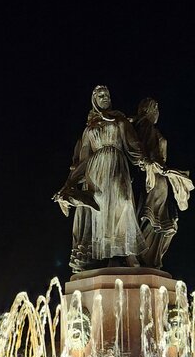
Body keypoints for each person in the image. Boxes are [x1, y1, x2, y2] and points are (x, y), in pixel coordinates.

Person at [54, 85, 150, 272]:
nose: (104, 97)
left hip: (117, 164)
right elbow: (83, 159)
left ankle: (130, 252)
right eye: (100, 96)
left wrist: (145, 161)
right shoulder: (89, 128)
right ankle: (109, 256)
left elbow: (133, 144)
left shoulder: (120, 120)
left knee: (123, 202)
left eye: (106, 95)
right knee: (101, 210)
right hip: (95, 170)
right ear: (94, 101)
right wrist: (69, 183)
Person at [130, 98, 194, 268]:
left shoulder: (142, 128)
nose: (157, 112)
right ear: (148, 110)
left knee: (157, 219)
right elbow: (145, 154)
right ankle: (144, 256)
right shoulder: (146, 128)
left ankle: (148, 258)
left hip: (157, 179)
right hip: (154, 179)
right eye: (155, 108)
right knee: (152, 218)